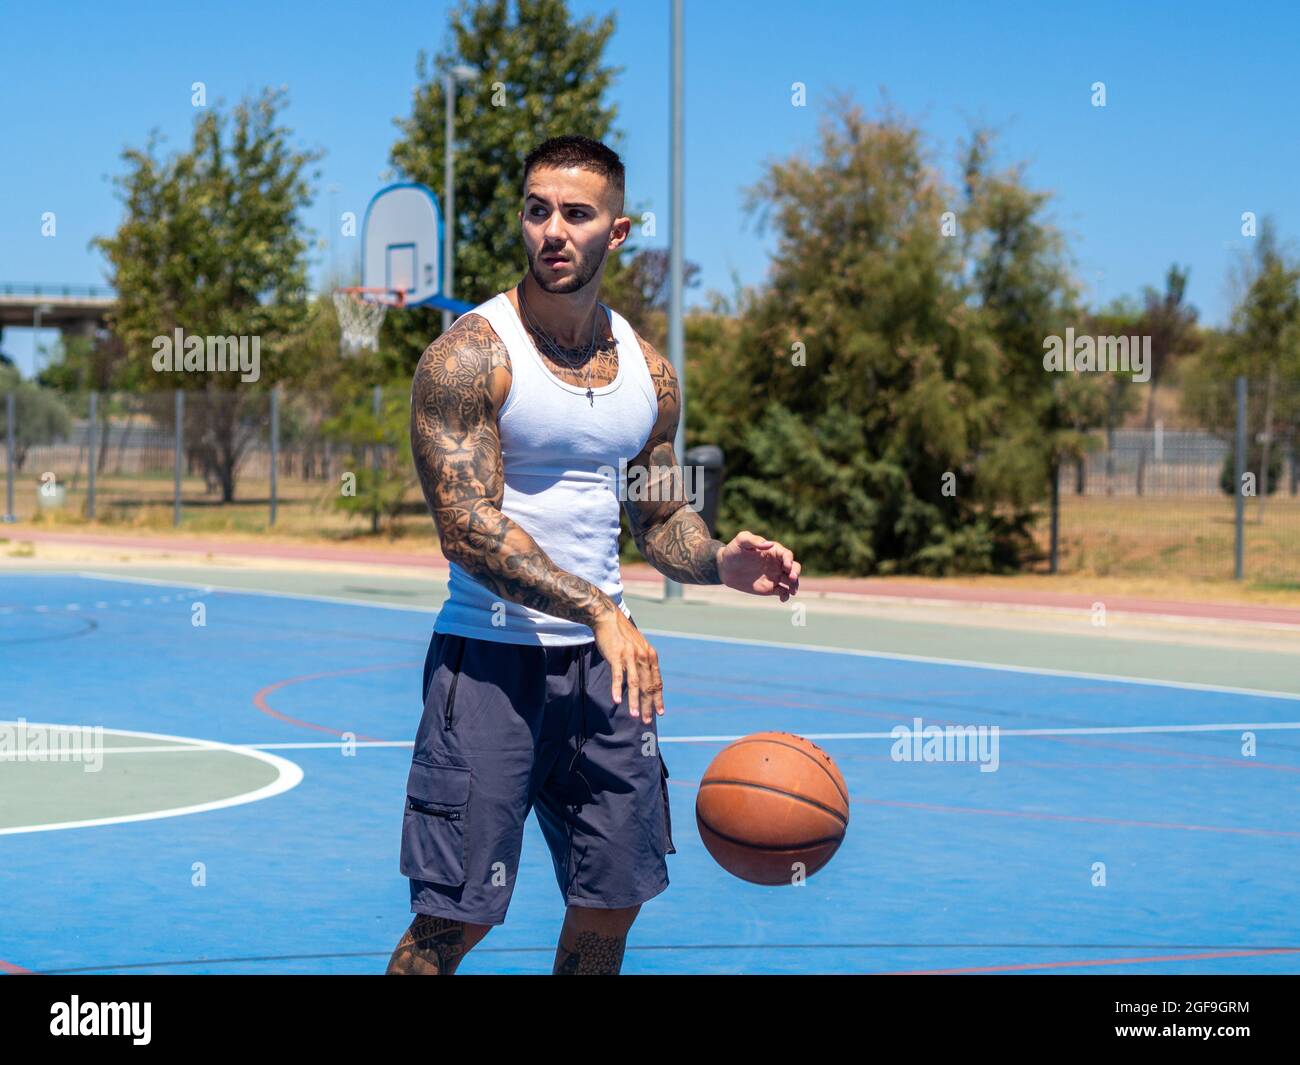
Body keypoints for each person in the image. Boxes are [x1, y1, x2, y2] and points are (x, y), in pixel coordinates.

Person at [387, 135, 800, 975]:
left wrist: (720, 560)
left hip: (606, 678)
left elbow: (660, 516)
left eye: (577, 214)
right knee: (453, 921)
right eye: (538, 210)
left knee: (610, 902)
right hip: (491, 664)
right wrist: (601, 607)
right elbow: (467, 527)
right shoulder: (470, 357)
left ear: (617, 232)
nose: (553, 230)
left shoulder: (651, 374)